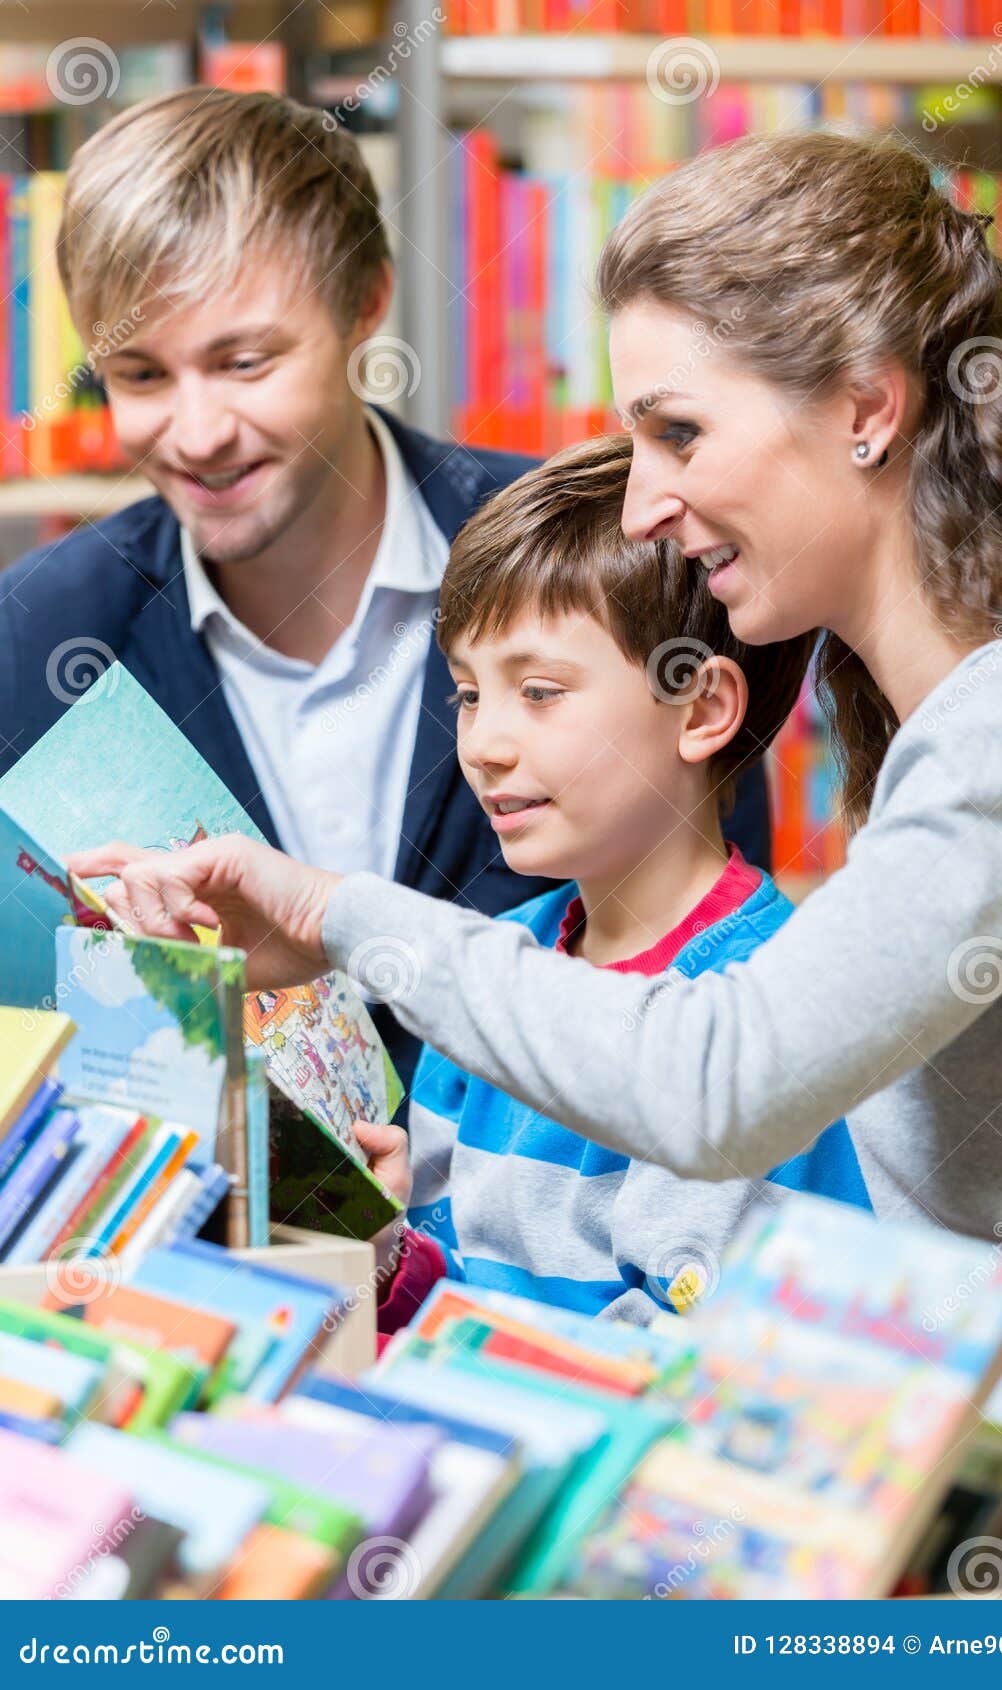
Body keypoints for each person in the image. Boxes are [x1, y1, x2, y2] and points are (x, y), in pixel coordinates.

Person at [70, 130, 1002, 1273]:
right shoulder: (935, 714)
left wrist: (329, 911)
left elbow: (720, 1082)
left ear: (865, 410)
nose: (642, 504)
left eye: (677, 431)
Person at [0, 82, 772, 1105]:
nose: (195, 433)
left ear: (366, 301)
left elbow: (714, 938)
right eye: (140, 377)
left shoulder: (596, 553)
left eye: (245, 361)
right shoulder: (40, 636)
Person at [356, 433, 869, 1328]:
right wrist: (390, 1260)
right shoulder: (487, 969)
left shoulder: (773, 1015)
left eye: (541, 692)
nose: (481, 744)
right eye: (469, 694)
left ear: (700, 708)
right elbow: (462, 1294)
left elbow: (719, 1376)